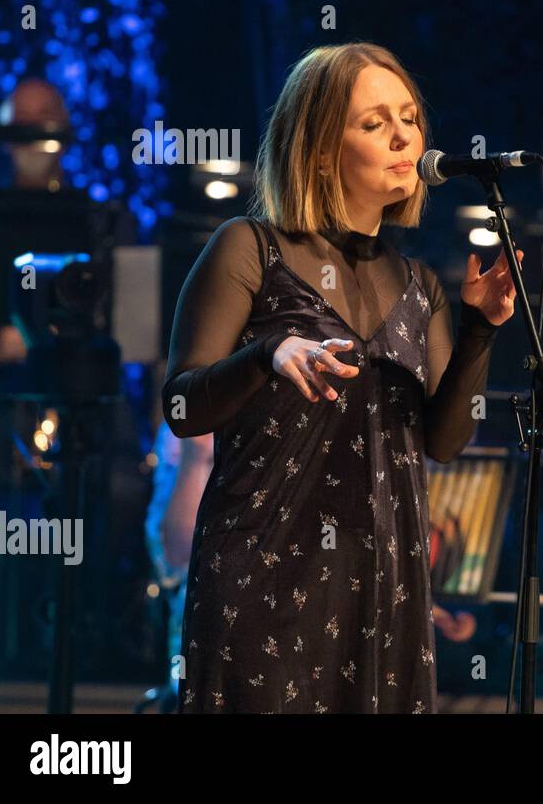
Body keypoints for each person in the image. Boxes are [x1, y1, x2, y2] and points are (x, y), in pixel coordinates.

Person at [163, 43, 520, 713]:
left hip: (382, 583)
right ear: (321, 149)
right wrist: (265, 353)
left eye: (410, 118)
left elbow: (444, 441)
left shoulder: (421, 286)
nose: (403, 136)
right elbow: (182, 405)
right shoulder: (250, 248)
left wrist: (481, 330)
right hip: (263, 576)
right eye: (374, 121)